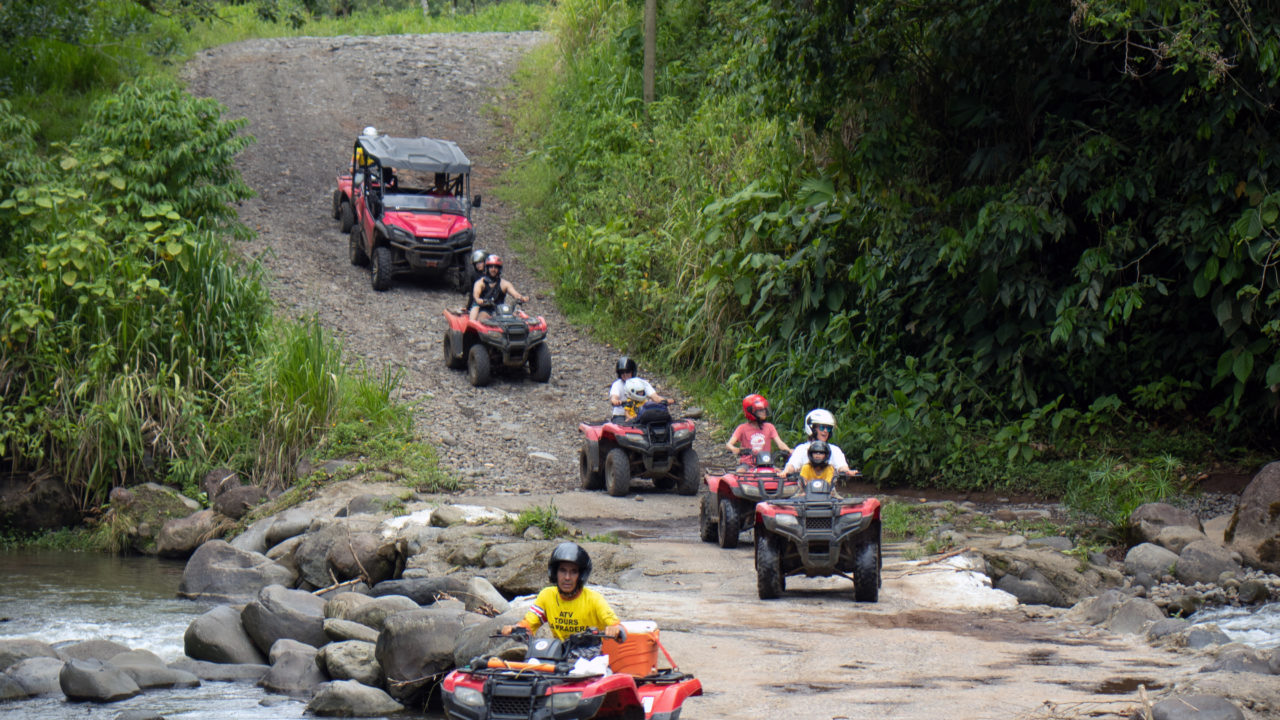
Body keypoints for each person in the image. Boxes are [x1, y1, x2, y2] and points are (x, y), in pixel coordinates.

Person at [501, 542, 623, 641]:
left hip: (591, 658)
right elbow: (529, 624)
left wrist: (614, 629)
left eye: (573, 572)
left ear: (581, 575)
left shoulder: (594, 599)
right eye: (562, 571)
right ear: (555, 573)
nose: (567, 577)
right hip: (559, 656)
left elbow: (617, 626)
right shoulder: (547, 595)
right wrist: (515, 629)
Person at [783, 408, 853, 475]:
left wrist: (847, 471)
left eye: (828, 428)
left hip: (828, 486)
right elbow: (792, 465)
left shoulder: (834, 450)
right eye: (822, 427)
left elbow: (842, 466)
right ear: (812, 428)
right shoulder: (801, 449)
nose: (825, 431)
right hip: (806, 486)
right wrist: (786, 472)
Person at [725, 394, 791, 458]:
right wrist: (734, 449)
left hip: (766, 461)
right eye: (760, 410)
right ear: (750, 412)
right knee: (741, 470)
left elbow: (780, 443)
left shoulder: (770, 427)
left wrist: (789, 451)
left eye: (764, 409)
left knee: (778, 470)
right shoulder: (742, 428)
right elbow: (729, 444)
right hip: (747, 462)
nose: (764, 412)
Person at [469, 254, 528, 321]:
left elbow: (515, 293)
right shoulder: (480, 283)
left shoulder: (504, 284)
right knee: (482, 319)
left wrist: (521, 298)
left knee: (517, 316)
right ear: (487, 268)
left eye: (496, 267)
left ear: (499, 269)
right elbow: (476, 294)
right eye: (491, 267)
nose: (493, 269)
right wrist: (478, 300)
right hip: (485, 310)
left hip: (500, 311)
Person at [609, 356, 664, 422]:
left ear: (632, 372)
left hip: (640, 414)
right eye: (622, 372)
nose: (625, 374)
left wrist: (664, 401)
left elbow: (655, 397)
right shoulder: (617, 384)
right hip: (621, 415)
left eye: (627, 372)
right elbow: (614, 396)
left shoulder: (641, 383)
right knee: (622, 427)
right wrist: (615, 401)